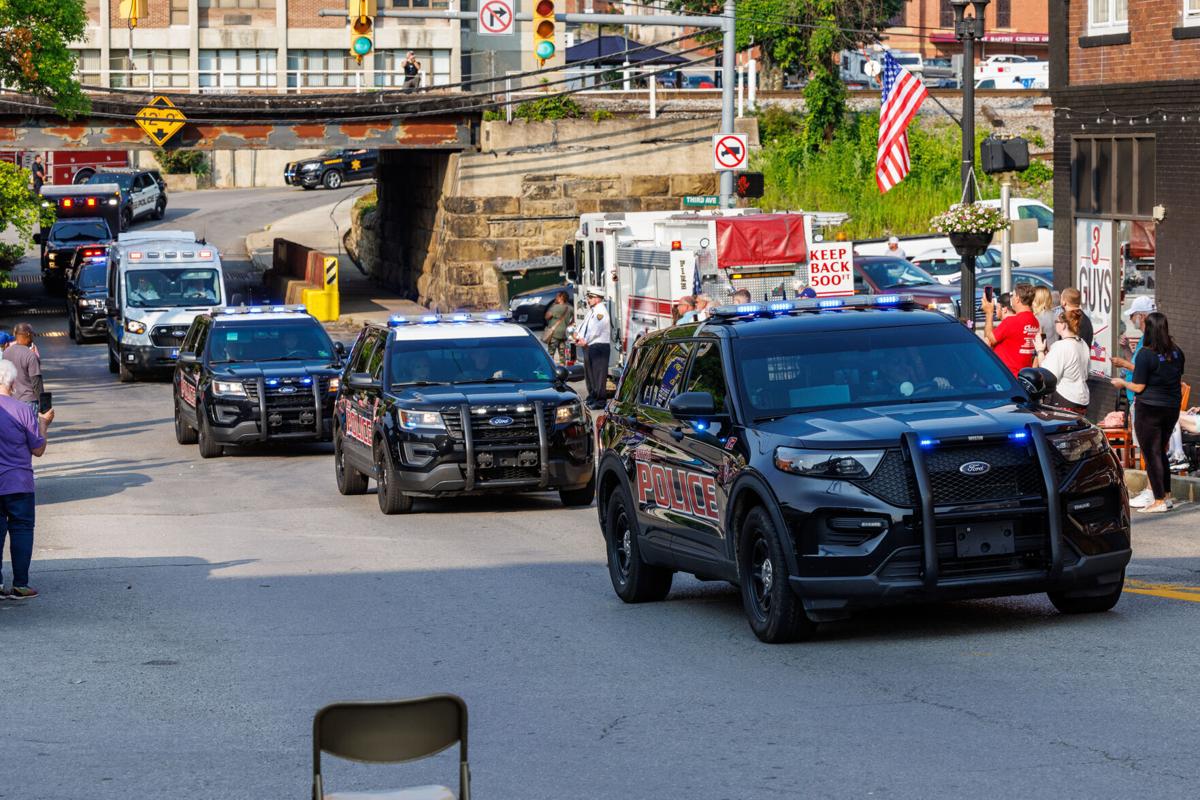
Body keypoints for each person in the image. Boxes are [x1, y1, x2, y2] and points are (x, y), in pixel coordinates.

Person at [1111, 312, 1184, 513]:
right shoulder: (1176, 352)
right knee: (1160, 451)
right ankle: (1166, 496)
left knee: (1151, 454)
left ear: (1149, 329)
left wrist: (1122, 382)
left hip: (1149, 409)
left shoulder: (1145, 353)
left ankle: (1159, 500)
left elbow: (1139, 386)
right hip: (1171, 408)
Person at [0, 358, 54, 600]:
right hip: (19, 483)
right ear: (11, 383)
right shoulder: (23, 410)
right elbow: (38, 449)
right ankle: (20, 585)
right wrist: (44, 424)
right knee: (21, 530)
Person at [1110, 296, 1155, 508]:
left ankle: (1152, 490)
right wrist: (1128, 351)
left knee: (1147, 448)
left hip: (1139, 397)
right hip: (1135, 398)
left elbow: (1142, 370)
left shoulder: (1149, 340)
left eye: (1134, 316)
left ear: (1142, 316)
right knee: (1145, 446)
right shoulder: (1146, 339)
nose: (1133, 320)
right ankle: (1154, 490)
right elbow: (1137, 364)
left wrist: (1123, 364)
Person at [1039, 308, 1091, 415]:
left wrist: (1040, 351)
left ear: (1063, 325)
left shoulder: (1061, 346)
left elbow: (1046, 375)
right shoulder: (1083, 344)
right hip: (1082, 398)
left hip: (1065, 398)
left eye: (1056, 322)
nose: (1055, 325)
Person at [982, 282, 1039, 376]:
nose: (1011, 299)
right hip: (1022, 375)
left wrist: (989, 313)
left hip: (1006, 376)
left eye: (1012, 295)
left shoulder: (1012, 321)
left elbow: (988, 340)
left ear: (1017, 299)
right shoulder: (1034, 321)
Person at [574, 289, 611, 409]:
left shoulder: (601, 312)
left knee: (598, 376)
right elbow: (584, 325)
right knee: (590, 375)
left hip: (598, 346)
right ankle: (593, 397)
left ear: (597, 298)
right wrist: (577, 334)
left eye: (590, 297)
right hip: (590, 346)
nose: (588, 300)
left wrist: (585, 340)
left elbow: (595, 330)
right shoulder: (592, 311)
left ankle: (600, 401)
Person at [2, 323, 43, 415]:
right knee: (30, 429)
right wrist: (43, 404)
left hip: (12, 401)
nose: (33, 336)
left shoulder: (6, 352)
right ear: (28, 334)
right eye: (32, 334)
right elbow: (36, 382)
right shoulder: (30, 355)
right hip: (29, 402)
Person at [542, 291, 571, 364]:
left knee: (550, 354)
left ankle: (551, 370)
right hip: (564, 334)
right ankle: (563, 368)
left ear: (561, 297)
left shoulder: (555, 307)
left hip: (554, 334)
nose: (555, 297)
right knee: (562, 355)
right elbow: (573, 320)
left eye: (557, 296)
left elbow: (547, 317)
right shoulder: (570, 308)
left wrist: (552, 306)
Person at [1031, 285, 1055, 357]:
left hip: (1043, 357)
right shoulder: (1056, 315)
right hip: (1055, 355)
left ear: (1036, 299)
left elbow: (1038, 343)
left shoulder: (1037, 318)